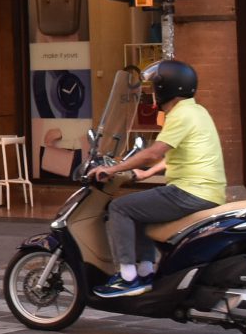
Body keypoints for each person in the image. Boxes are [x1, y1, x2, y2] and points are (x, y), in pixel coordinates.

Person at [87, 58, 228, 298]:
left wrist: (113, 169)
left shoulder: (181, 114)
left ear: (166, 88)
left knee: (120, 207)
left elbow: (154, 153)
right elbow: (177, 153)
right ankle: (145, 271)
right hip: (205, 191)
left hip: (189, 192)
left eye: (154, 87)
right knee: (141, 209)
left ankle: (127, 277)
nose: (153, 93)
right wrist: (148, 173)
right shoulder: (197, 111)